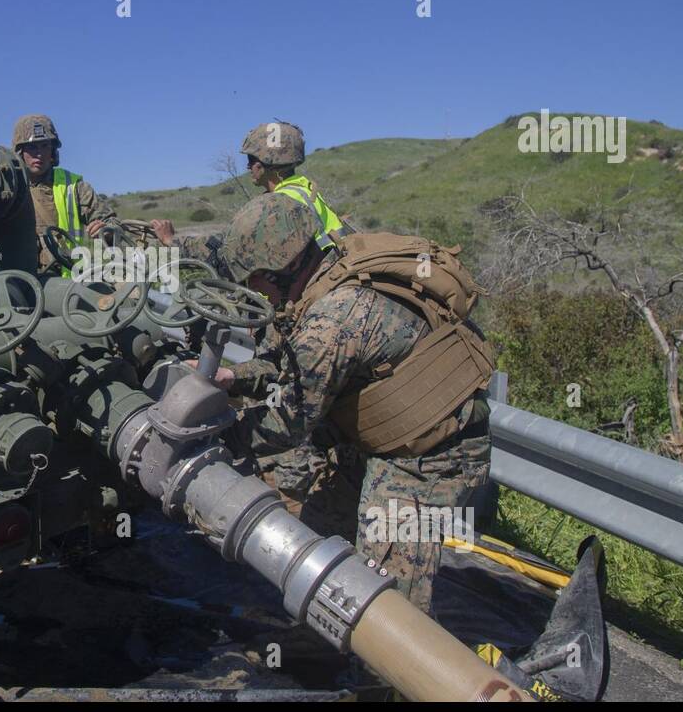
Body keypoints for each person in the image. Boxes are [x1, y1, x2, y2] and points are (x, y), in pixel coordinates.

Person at [210, 194, 495, 615]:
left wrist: (221, 438)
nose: (254, 292)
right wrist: (235, 377)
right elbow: (286, 366)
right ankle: (322, 645)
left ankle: (391, 677)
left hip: (427, 460)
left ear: (280, 270)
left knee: (386, 599)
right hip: (377, 442)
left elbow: (289, 422)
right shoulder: (326, 278)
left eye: (255, 281)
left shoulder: (333, 319)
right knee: (316, 546)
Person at [149, 120, 350, 265]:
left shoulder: (279, 204)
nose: (248, 167)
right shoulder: (304, 189)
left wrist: (172, 241)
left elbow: (227, 251)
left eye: (251, 160)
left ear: (265, 164)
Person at [12, 114, 116, 274]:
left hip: (69, 283)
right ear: (20, 152)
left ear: (53, 150)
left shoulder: (73, 185)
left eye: (44, 146)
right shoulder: (9, 188)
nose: (39, 154)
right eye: (32, 147)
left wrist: (106, 231)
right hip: (21, 281)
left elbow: (110, 222)